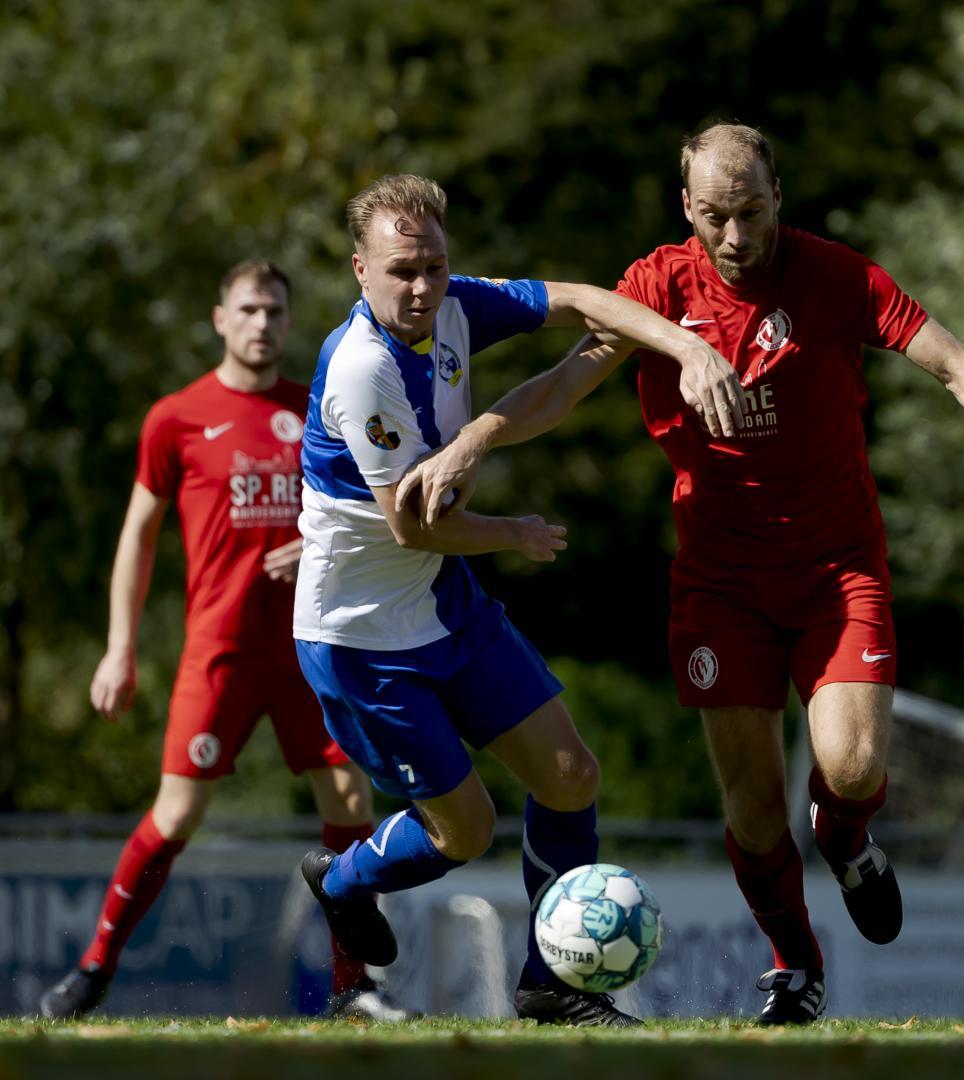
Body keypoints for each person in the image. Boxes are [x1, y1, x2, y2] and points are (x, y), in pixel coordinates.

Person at [396, 124, 964, 1024]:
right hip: (721, 582)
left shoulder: (838, 278)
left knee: (847, 770)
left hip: (836, 568)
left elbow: (958, 366)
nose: (737, 238)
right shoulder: (656, 288)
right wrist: (471, 440)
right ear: (686, 207)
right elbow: (563, 382)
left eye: (754, 212)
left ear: (781, 195)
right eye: (717, 216)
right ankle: (796, 966)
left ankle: (848, 841)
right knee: (755, 809)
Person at [293, 174, 743, 1027]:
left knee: (571, 775)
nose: (422, 287)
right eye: (401, 271)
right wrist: (517, 534)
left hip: (442, 602)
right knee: (464, 833)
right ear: (360, 269)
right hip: (361, 637)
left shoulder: (459, 307)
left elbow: (579, 300)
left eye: (433, 265)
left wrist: (685, 348)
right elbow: (414, 528)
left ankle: (555, 987)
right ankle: (341, 879)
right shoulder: (358, 370)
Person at [40, 260, 404, 1021]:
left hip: (313, 648)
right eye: (248, 309)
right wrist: (120, 646)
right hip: (220, 652)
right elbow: (137, 536)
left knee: (347, 798)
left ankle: (353, 987)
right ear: (219, 318)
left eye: (275, 310)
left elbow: (375, 514)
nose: (262, 323)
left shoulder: (319, 409)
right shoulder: (176, 417)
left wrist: (314, 541)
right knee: (175, 816)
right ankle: (94, 972)